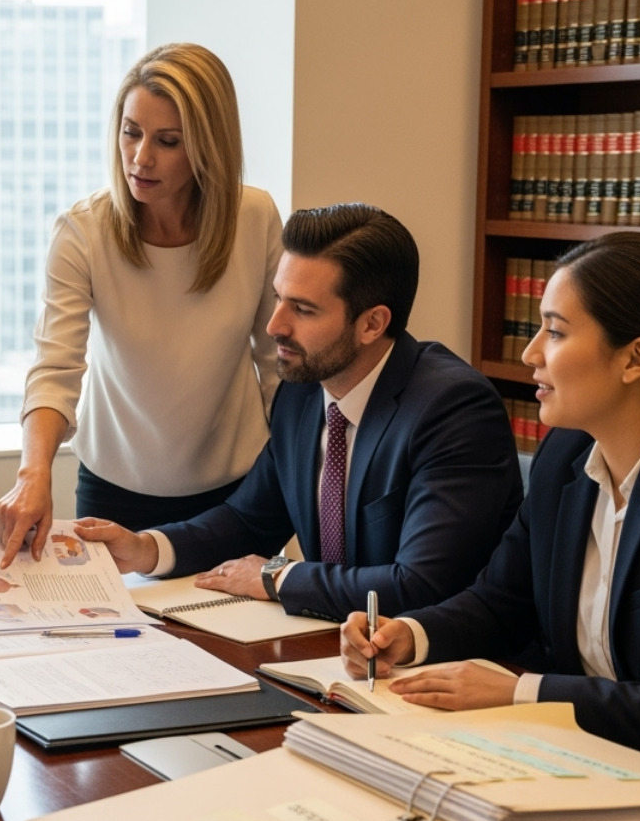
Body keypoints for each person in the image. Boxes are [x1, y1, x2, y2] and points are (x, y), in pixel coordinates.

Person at [340, 232, 640, 774]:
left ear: (635, 359)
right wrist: (409, 635)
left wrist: (523, 693)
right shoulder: (566, 456)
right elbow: (501, 601)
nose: (530, 353)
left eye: (554, 332)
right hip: (598, 761)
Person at [77, 203, 522, 621]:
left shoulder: (454, 409)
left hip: (443, 665)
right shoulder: (304, 392)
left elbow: (423, 584)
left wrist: (276, 576)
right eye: (278, 298)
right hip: (337, 647)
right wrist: (146, 549)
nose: (275, 326)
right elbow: (250, 520)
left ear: (372, 323)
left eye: (303, 310)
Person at [0, 43, 283, 564]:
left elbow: (280, 368)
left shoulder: (255, 217)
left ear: (209, 146)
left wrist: (301, 483)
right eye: (131, 132)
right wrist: (32, 473)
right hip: (114, 494)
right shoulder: (84, 230)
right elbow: (55, 369)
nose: (141, 157)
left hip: (235, 496)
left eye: (168, 141)